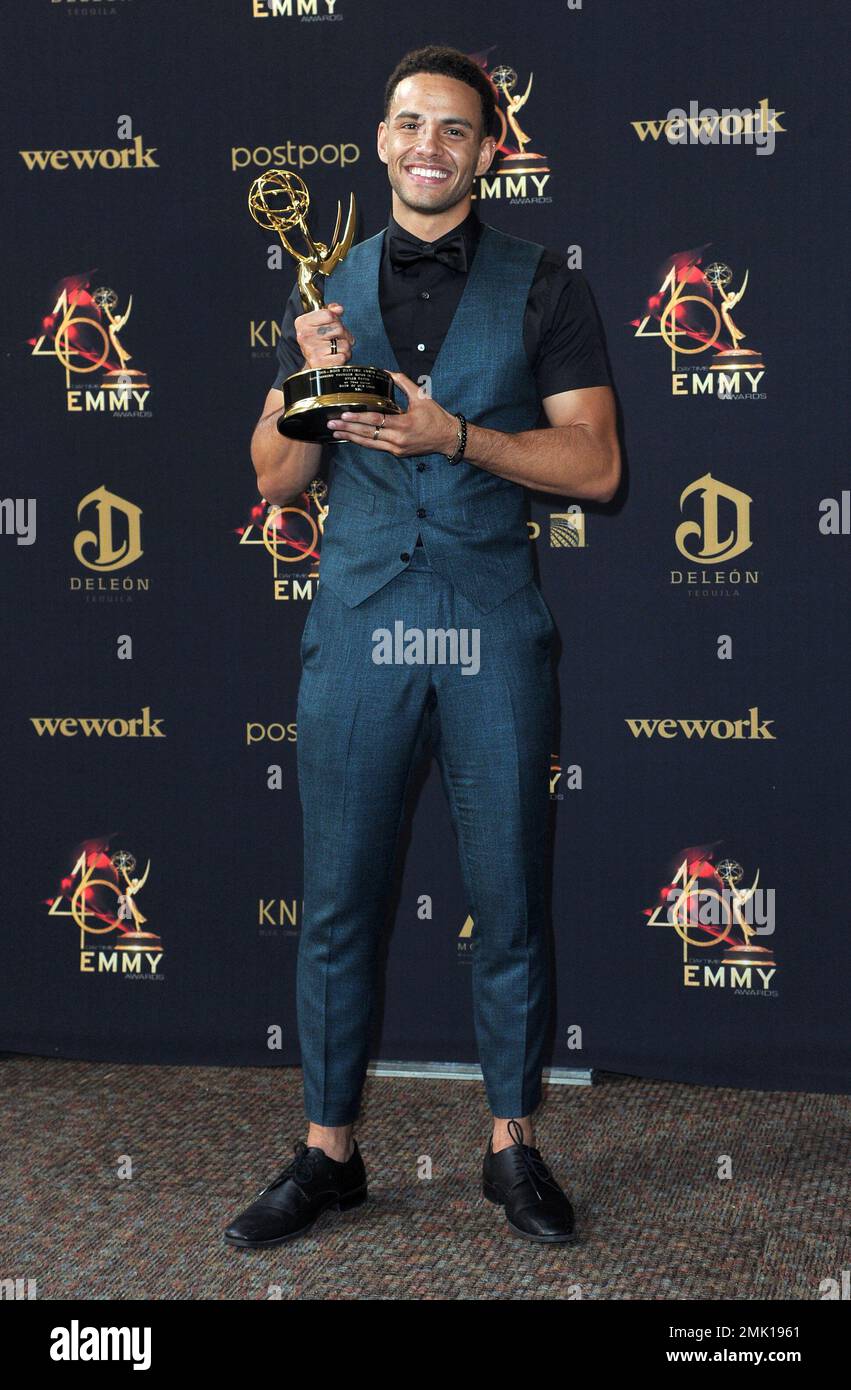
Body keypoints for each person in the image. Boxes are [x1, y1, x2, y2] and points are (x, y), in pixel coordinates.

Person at [225, 44, 620, 1250]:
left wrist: (457, 435)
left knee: (506, 900)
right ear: (382, 140)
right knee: (337, 902)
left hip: (491, 630)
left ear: (490, 149)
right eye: (408, 124)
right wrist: (306, 379)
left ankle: (509, 1147)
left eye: (453, 128)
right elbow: (278, 482)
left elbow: (595, 469)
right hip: (355, 632)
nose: (427, 145)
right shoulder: (327, 286)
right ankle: (328, 1154)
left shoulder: (545, 284)